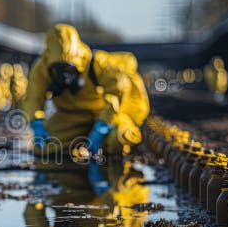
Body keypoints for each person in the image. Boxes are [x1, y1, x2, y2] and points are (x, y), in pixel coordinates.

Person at [21, 24, 150, 157]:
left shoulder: (97, 63)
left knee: (118, 141)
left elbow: (117, 93)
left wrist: (102, 125)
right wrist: (36, 122)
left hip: (106, 116)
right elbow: (33, 97)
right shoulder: (42, 69)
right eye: (59, 70)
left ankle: (114, 153)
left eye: (67, 70)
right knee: (43, 148)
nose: (64, 76)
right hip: (70, 117)